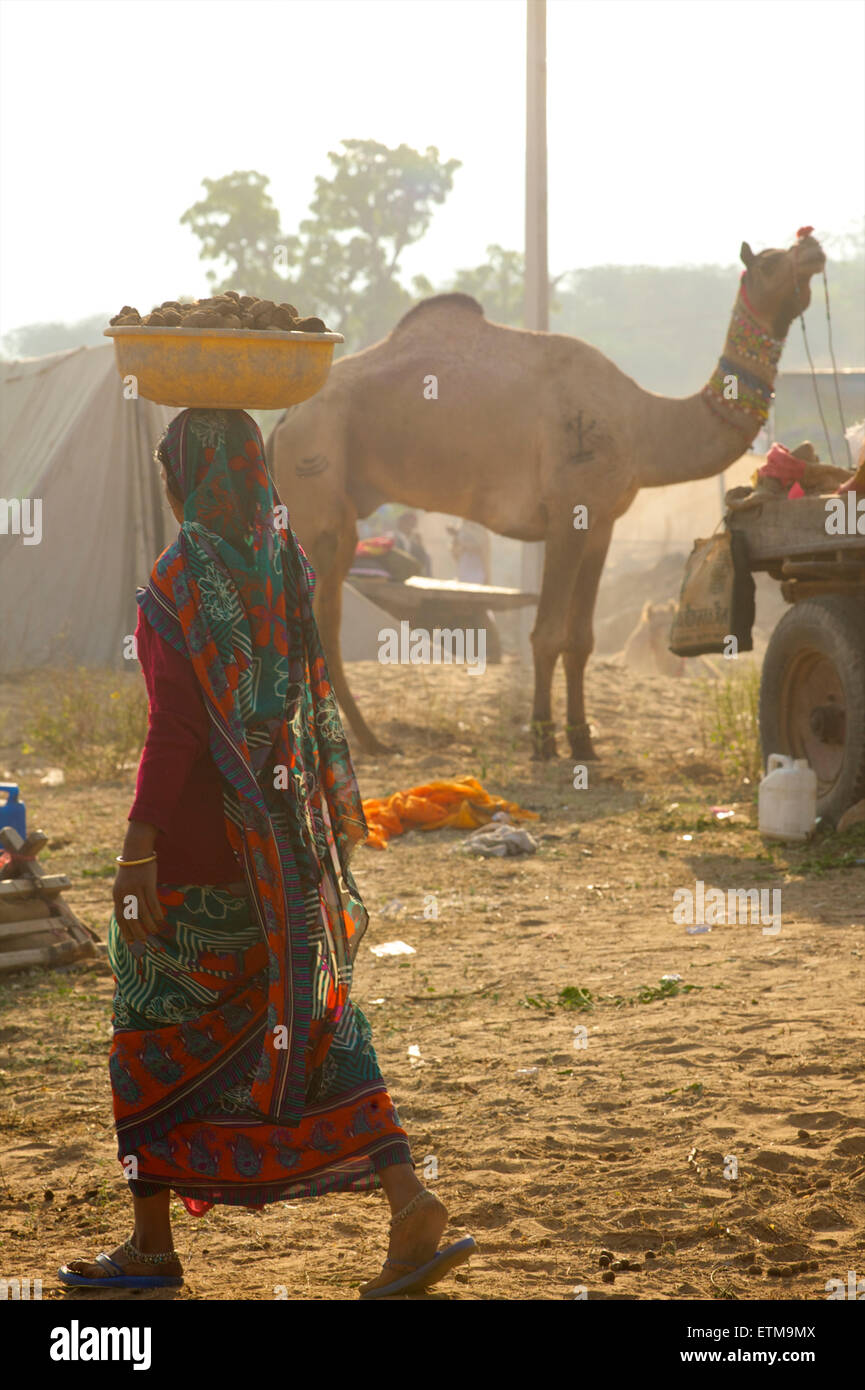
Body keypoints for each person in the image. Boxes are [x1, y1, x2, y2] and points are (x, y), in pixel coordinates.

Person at [59, 408, 475, 1299]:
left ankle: (150, 1246)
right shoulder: (283, 564)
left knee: (147, 1026)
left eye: (175, 470)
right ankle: (407, 1196)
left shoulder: (180, 579)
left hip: (198, 851)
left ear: (186, 480)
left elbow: (172, 734)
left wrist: (136, 854)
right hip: (283, 842)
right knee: (316, 1019)